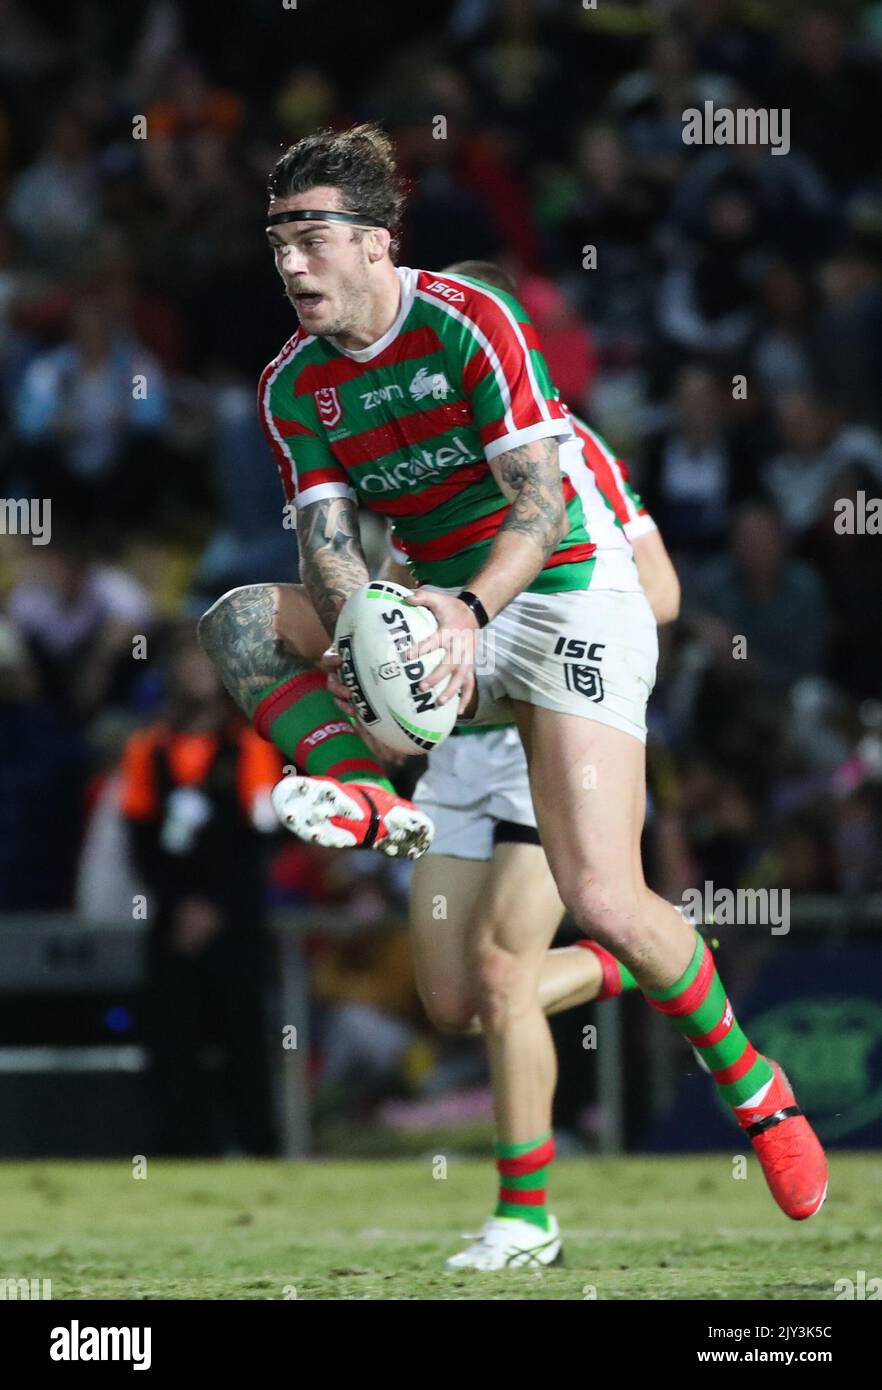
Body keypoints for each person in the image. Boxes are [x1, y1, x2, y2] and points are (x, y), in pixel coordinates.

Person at [197, 125, 828, 1262]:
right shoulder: (294, 383)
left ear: (378, 243)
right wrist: (367, 635)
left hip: (562, 600)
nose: (293, 266)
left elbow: (540, 510)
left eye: (316, 240)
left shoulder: (475, 323)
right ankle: (364, 796)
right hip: (447, 634)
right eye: (278, 242)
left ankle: (757, 1090)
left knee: (607, 899)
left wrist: (460, 614)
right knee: (240, 625)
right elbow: (329, 547)